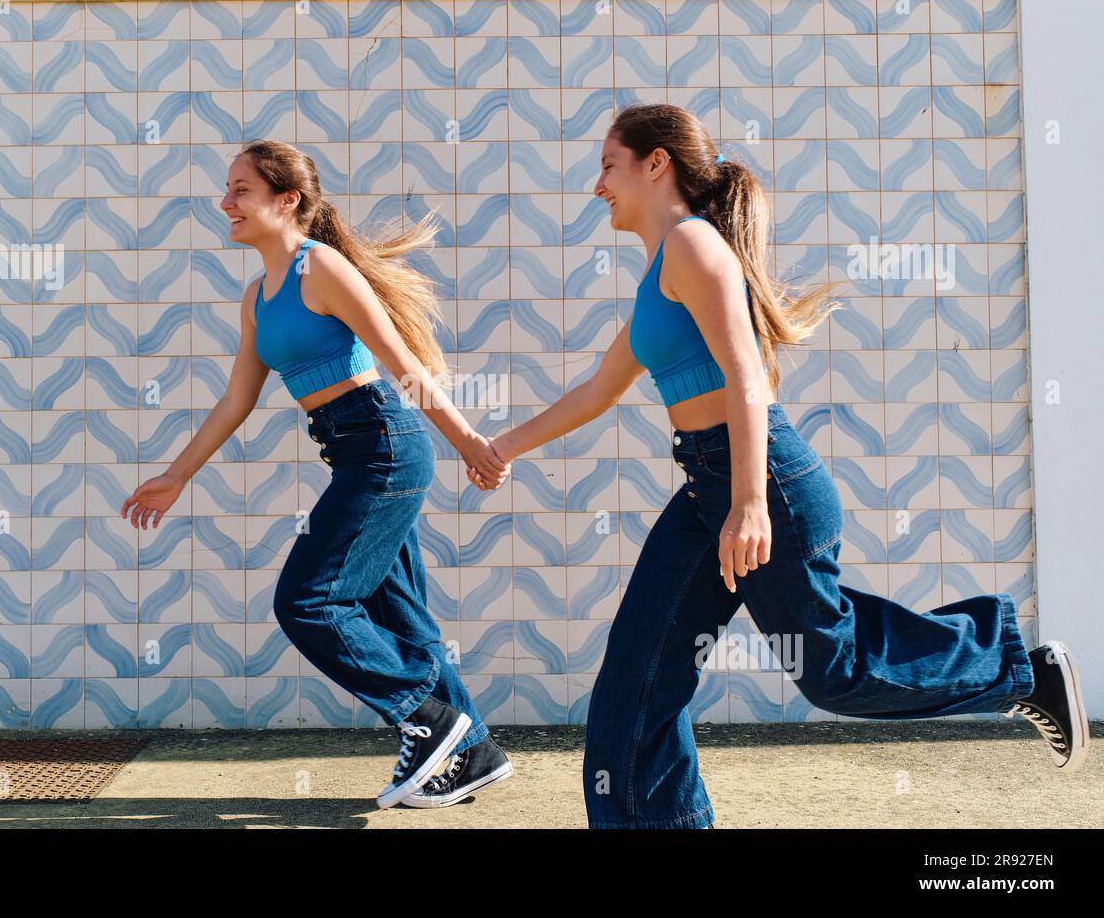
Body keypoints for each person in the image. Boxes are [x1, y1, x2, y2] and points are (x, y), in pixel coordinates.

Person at [469, 103, 1089, 829]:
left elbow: (747, 378)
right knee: (639, 672)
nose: (595, 184)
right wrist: (502, 446)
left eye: (609, 164)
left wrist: (751, 500)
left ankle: (1017, 668)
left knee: (834, 671)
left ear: (655, 163)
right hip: (710, 488)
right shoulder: (660, 272)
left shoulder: (695, 248)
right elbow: (599, 391)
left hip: (761, 483)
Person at [122, 140, 514, 809]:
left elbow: (401, 363)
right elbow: (235, 400)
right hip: (354, 453)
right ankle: (470, 750)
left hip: (386, 445)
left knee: (310, 600)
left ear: (287, 200)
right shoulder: (258, 297)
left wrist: (469, 441)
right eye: (227, 189)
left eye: (240, 190)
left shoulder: (320, 269)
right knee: (400, 612)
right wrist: (175, 476)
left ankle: (431, 721)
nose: (225, 203)